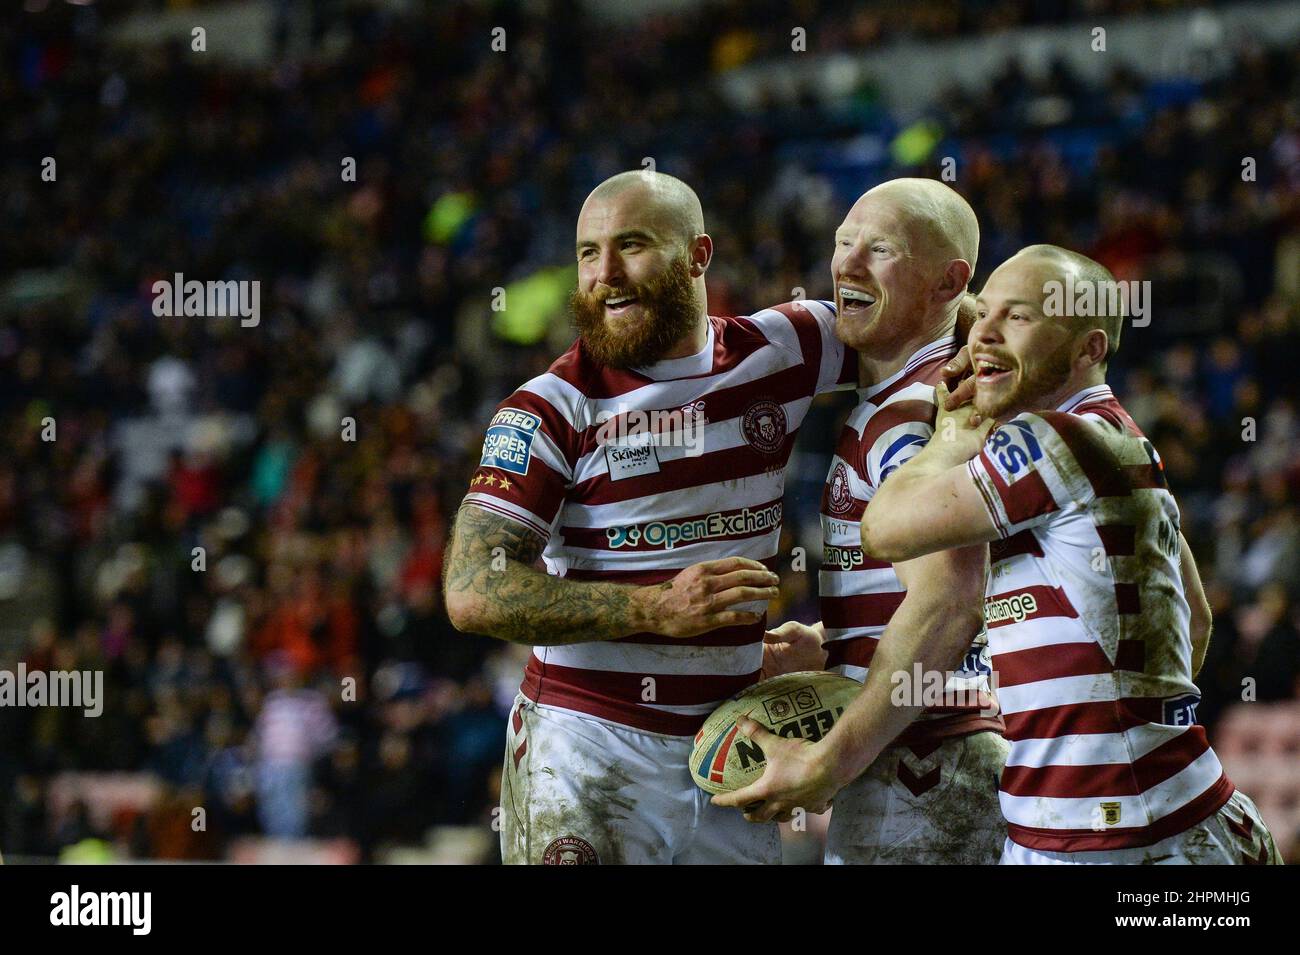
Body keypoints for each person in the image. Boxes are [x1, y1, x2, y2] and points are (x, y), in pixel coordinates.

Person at [803, 244, 1277, 864]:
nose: (983, 338)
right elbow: (1193, 614)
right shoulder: (1111, 440)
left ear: (1091, 348)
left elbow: (885, 528)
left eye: (1019, 318)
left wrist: (949, 431)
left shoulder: (1060, 439)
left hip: (1125, 839)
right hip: (1109, 822)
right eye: (986, 315)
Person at [442, 170, 853, 864]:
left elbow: (924, 327)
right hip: (585, 751)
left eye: (631, 245)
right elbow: (472, 590)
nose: (605, 274)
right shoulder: (547, 408)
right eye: (586, 253)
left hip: (731, 750)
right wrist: (652, 608)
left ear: (698, 255)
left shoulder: (787, 349)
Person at [717, 179, 1009, 863]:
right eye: (843, 242)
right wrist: (841, 642)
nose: (845, 265)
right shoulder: (929, 392)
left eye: (878, 249)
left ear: (949, 280)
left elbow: (950, 602)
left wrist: (830, 762)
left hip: (924, 769)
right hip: (940, 755)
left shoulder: (912, 416)